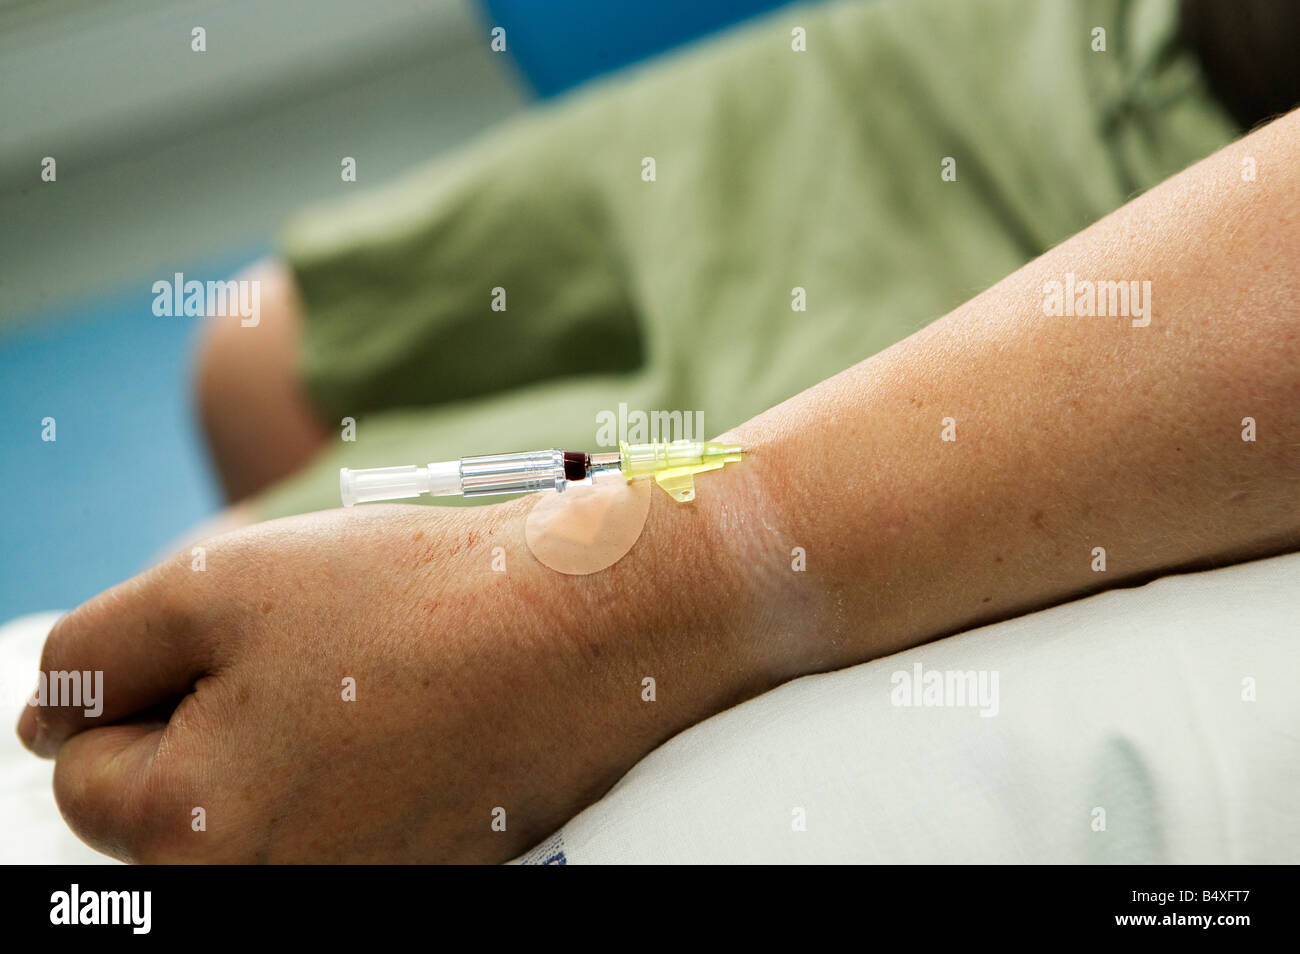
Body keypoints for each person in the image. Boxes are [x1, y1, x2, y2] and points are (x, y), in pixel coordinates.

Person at [15, 0, 1300, 862]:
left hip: (1205, 237)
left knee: (230, 646)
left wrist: (582, 608)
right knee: (254, 361)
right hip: (1077, 36)